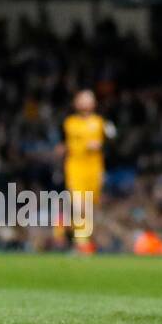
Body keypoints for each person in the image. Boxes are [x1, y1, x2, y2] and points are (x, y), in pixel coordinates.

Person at [56, 89, 113, 252]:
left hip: (94, 169)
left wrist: (102, 145)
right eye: (82, 99)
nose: (85, 103)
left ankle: (70, 232)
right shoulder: (68, 123)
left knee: (89, 207)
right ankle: (80, 241)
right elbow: (61, 144)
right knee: (80, 205)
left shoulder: (101, 122)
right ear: (76, 103)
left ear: (94, 103)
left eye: (88, 99)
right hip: (75, 168)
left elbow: (113, 142)